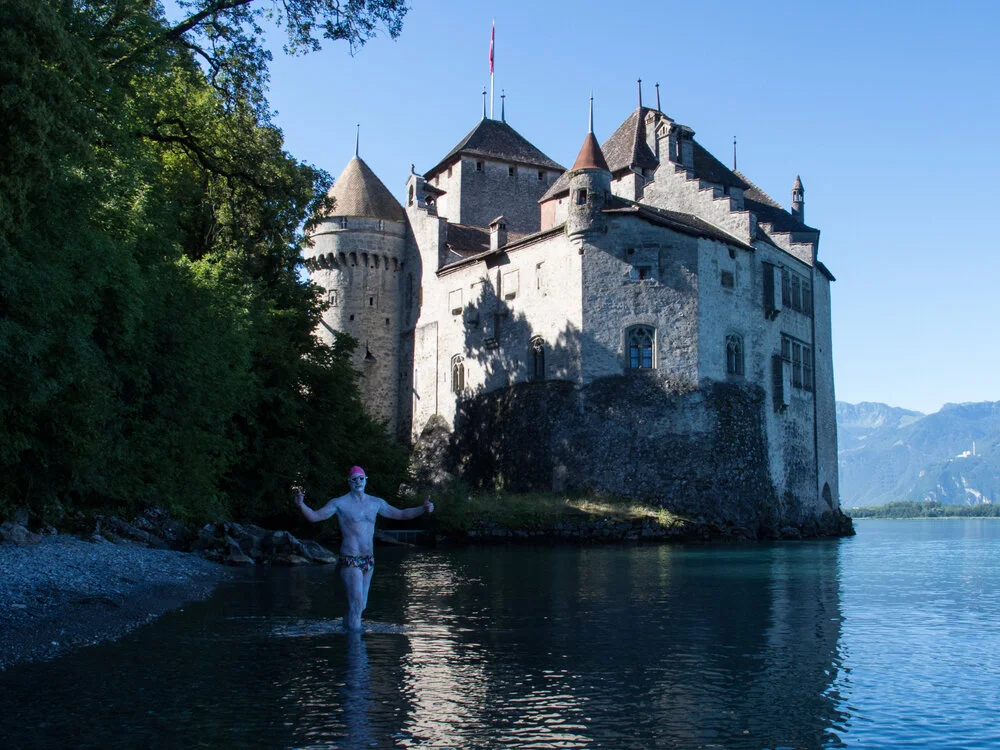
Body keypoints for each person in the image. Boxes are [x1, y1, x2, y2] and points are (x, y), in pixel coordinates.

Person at [293, 466, 434, 631]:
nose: (358, 482)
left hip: (369, 561)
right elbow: (315, 517)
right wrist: (301, 505)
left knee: (361, 606)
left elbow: (401, 514)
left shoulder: (375, 503)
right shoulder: (339, 503)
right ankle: (357, 649)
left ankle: (346, 633)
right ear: (349, 482)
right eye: (354, 479)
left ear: (366, 479)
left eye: (360, 478)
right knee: (357, 604)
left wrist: (422, 509)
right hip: (350, 560)